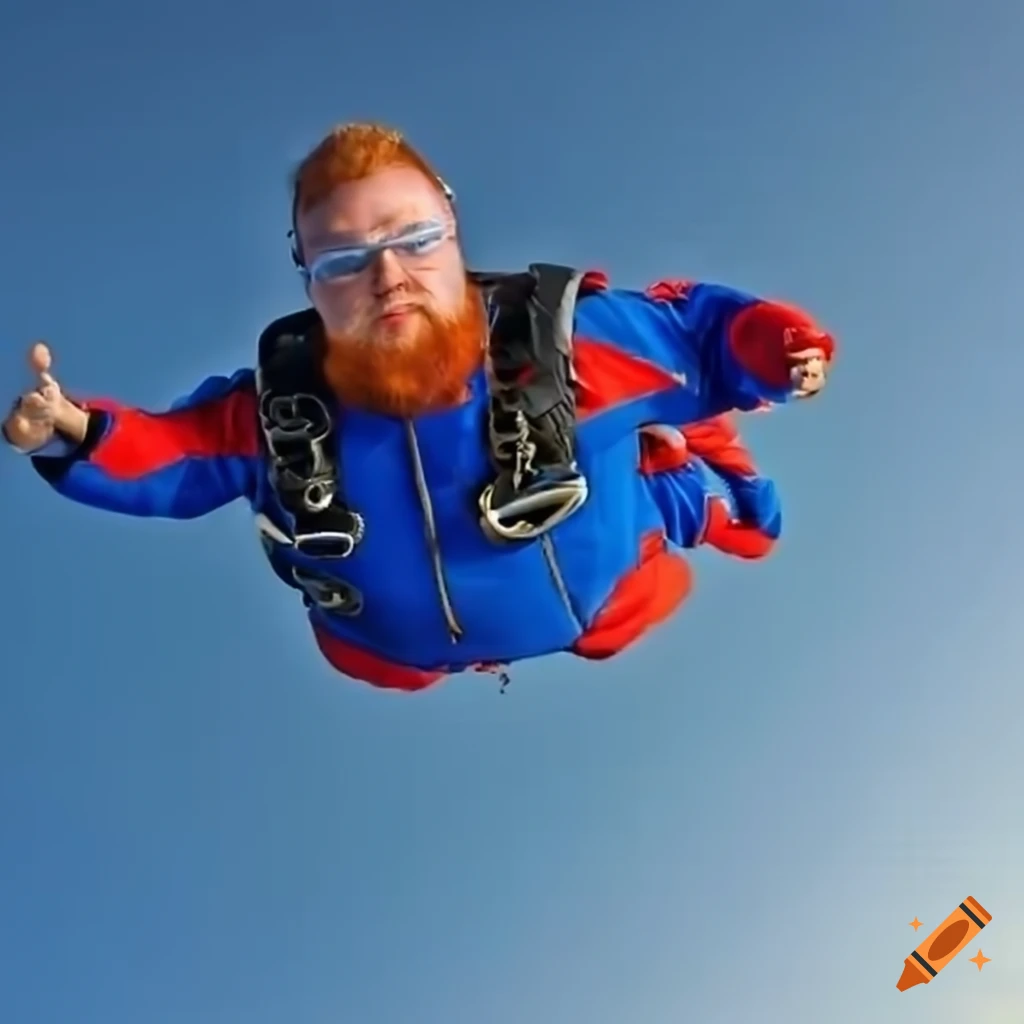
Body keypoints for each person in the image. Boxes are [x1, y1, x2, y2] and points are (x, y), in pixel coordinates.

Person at [2, 122, 835, 692]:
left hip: (611, 581)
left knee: (705, 510)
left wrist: (772, 345)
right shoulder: (282, 411)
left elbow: (696, 336)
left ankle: (707, 480)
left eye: (414, 240)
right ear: (311, 289)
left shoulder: (572, 348)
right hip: (388, 646)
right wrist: (74, 431)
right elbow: (174, 452)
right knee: (372, 657)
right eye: (344, 261)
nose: (387, 276)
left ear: (455, 231)